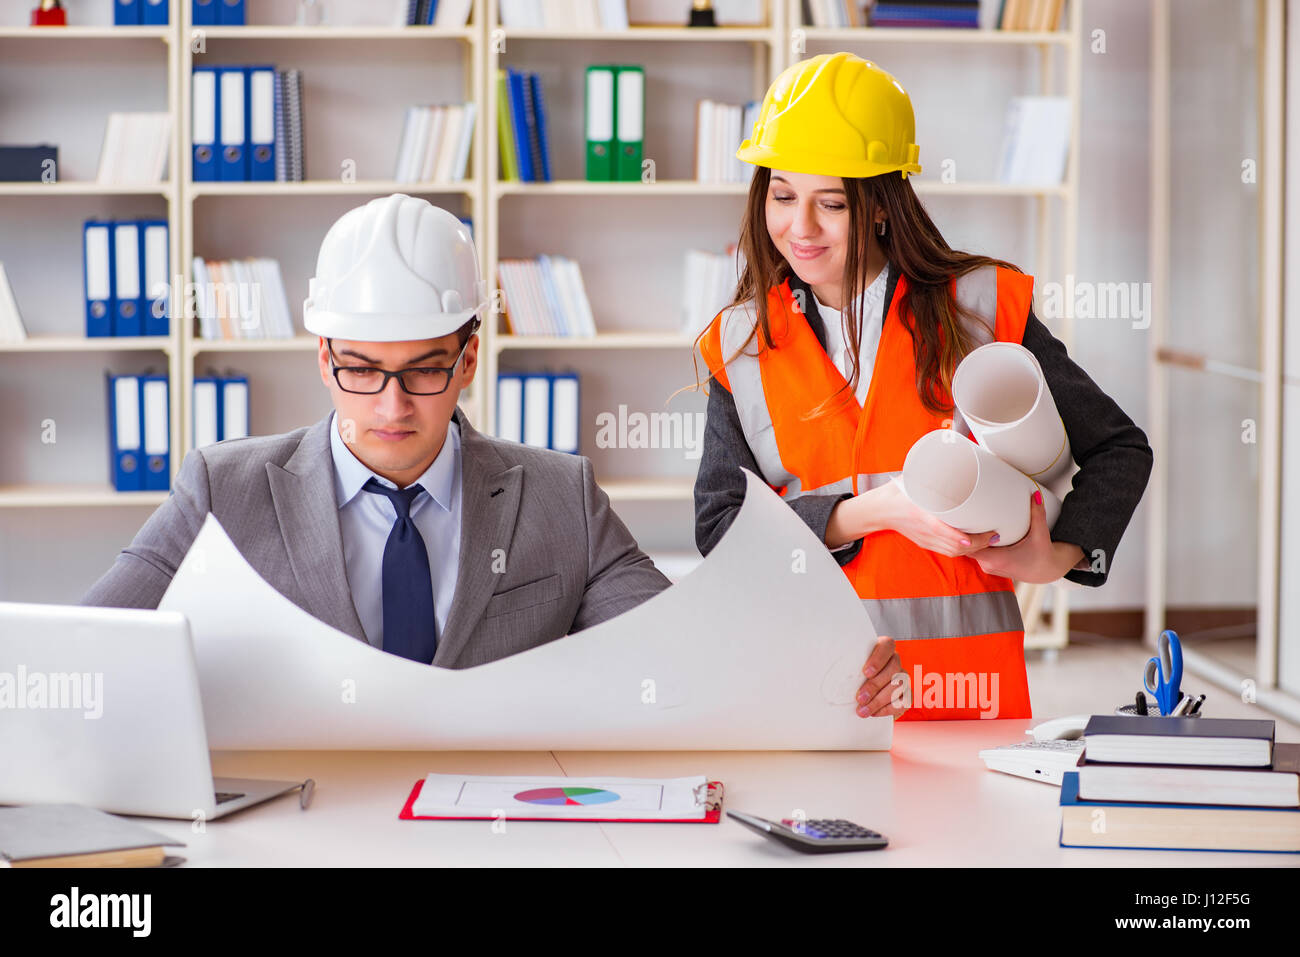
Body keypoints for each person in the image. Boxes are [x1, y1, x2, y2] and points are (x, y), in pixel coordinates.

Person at [694, 53, 1153, 721]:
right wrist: (878, 511)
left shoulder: (980, 309)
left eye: (831, 203)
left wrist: (1057, 556)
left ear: (882, 204)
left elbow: (1119, 448)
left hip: (965, 689)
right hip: (814, 686)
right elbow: (722, 528)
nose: (801, 227)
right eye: (782, 196)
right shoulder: (742, 342)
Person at [83, 193, 670, 668]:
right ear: (325, 359)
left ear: (467, 361)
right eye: (361, 370)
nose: (393, 408)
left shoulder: (563, 497)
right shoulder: (221, 491)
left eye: (425, 371)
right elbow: (87, 654)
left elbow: (678, 655)